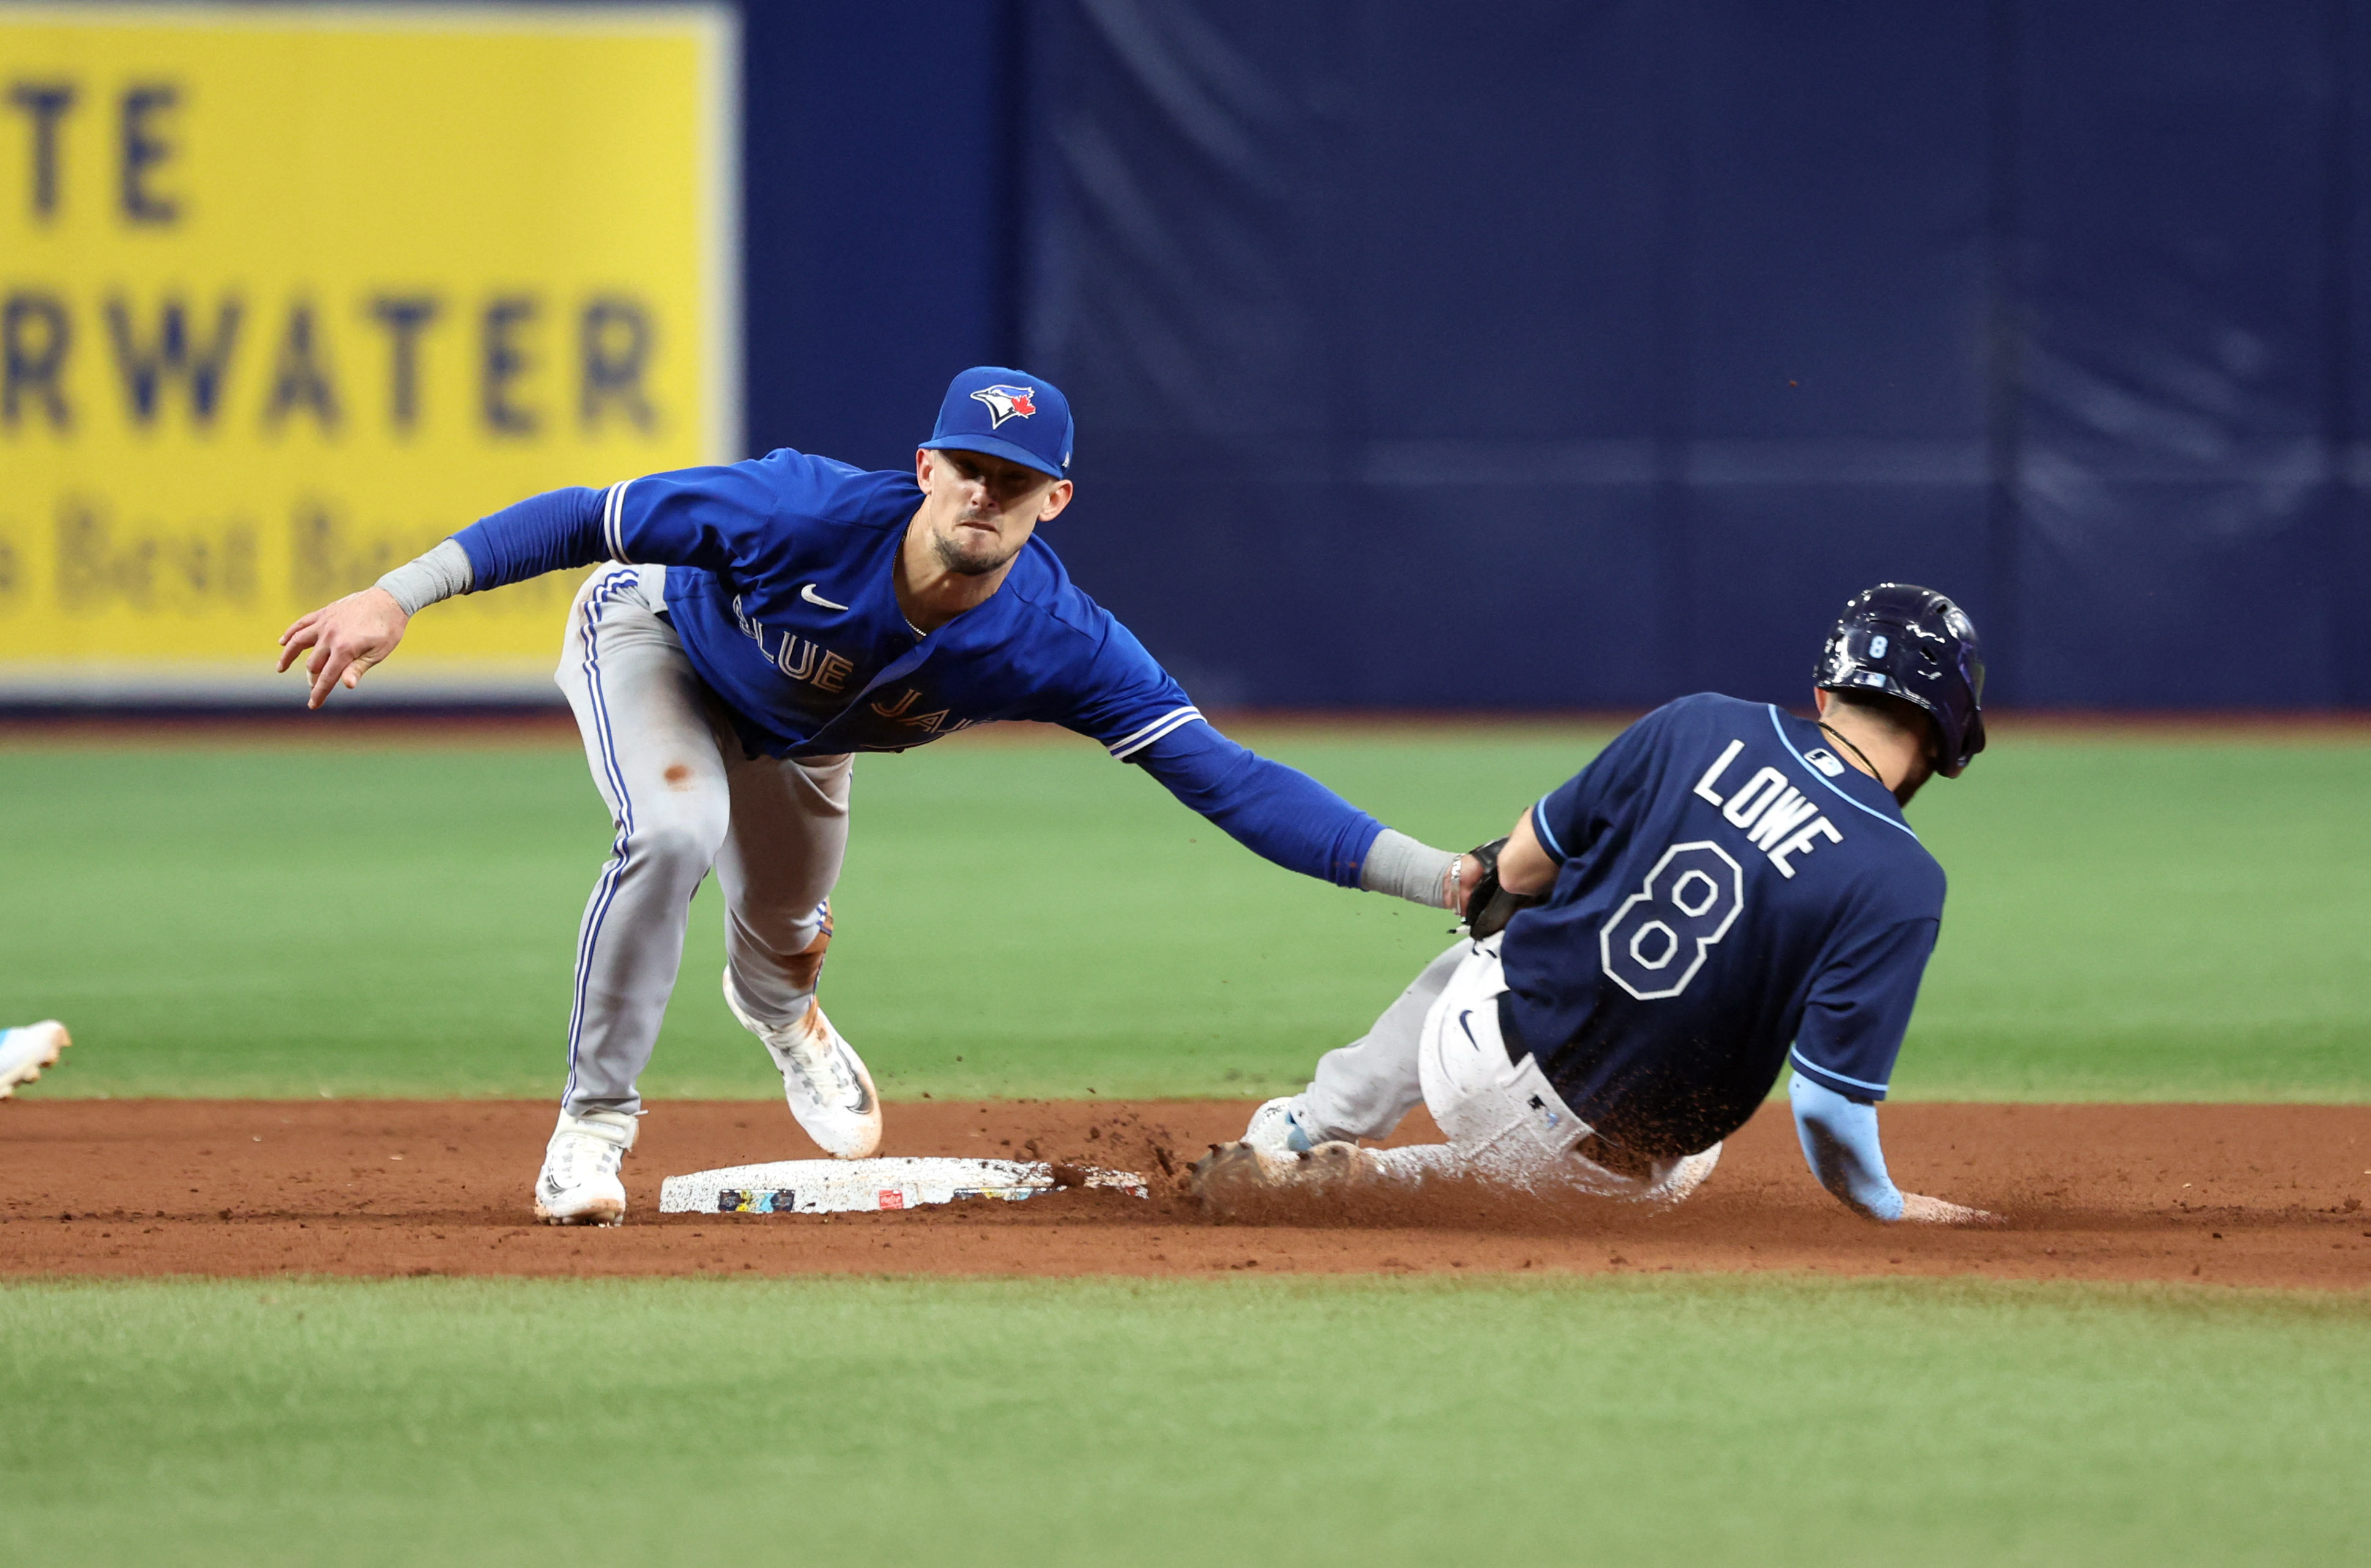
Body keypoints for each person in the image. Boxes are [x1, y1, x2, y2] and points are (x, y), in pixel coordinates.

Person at [276, 367, 1476, 1225]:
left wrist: (1449, 879)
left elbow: (1229, 780)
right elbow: (584, 518)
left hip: (805, 739)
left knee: (784, 937)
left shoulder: (1054, 639)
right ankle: (593, 1127)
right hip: (657, 645)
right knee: (674, 830)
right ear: (924, 467)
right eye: (966, 468)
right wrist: (400, 593)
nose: (982, 496)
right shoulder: (797, 509)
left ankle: (781, 1007)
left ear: (1053, 501)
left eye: (1016, 482)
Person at [1195, 584, 2000, 1227]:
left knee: (1496, 936)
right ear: (1946, 740)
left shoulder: (1699, 722)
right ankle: (1369, 1181)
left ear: (1823, 689)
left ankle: (1301, 1125)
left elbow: (1518, 864)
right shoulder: (1901, 880)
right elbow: (1826, 1107)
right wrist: (1884, 1206)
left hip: (1471, 1049)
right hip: (1588, 1163)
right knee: (1686, 1160)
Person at [0, 1020, 69, 1099]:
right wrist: (54, 1050)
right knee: (31, 1073)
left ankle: (6, 1088)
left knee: (31, 1073)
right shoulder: (47, 1033)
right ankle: (5, 1088)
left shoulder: (34, 1037)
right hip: (16, 1059)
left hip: (10, 1044)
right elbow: (58, 1029)